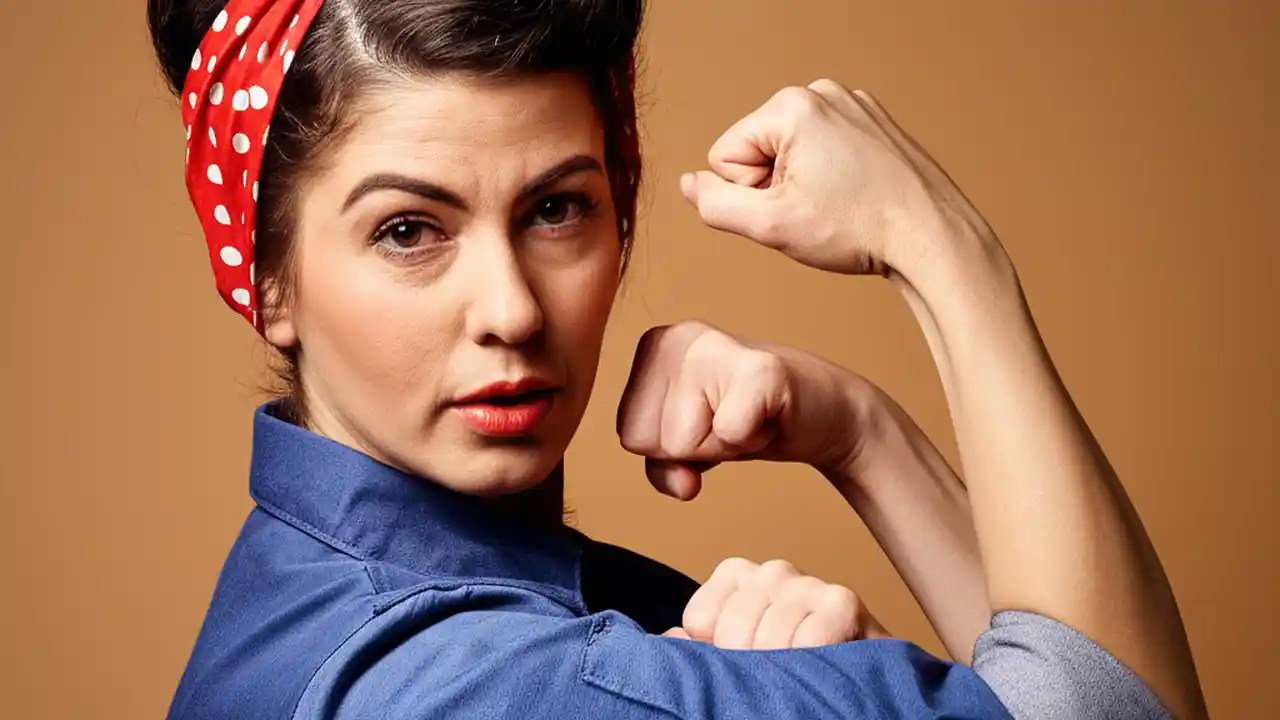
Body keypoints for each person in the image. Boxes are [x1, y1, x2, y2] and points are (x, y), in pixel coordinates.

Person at [149, 0, 1207, 717]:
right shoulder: (477, 682)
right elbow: (1105, 700)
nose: (512, 309)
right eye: (407, 231)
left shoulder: (318, 597)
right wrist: (940, 247)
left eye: (556, 209)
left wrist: (850, 427)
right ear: (268, 275)